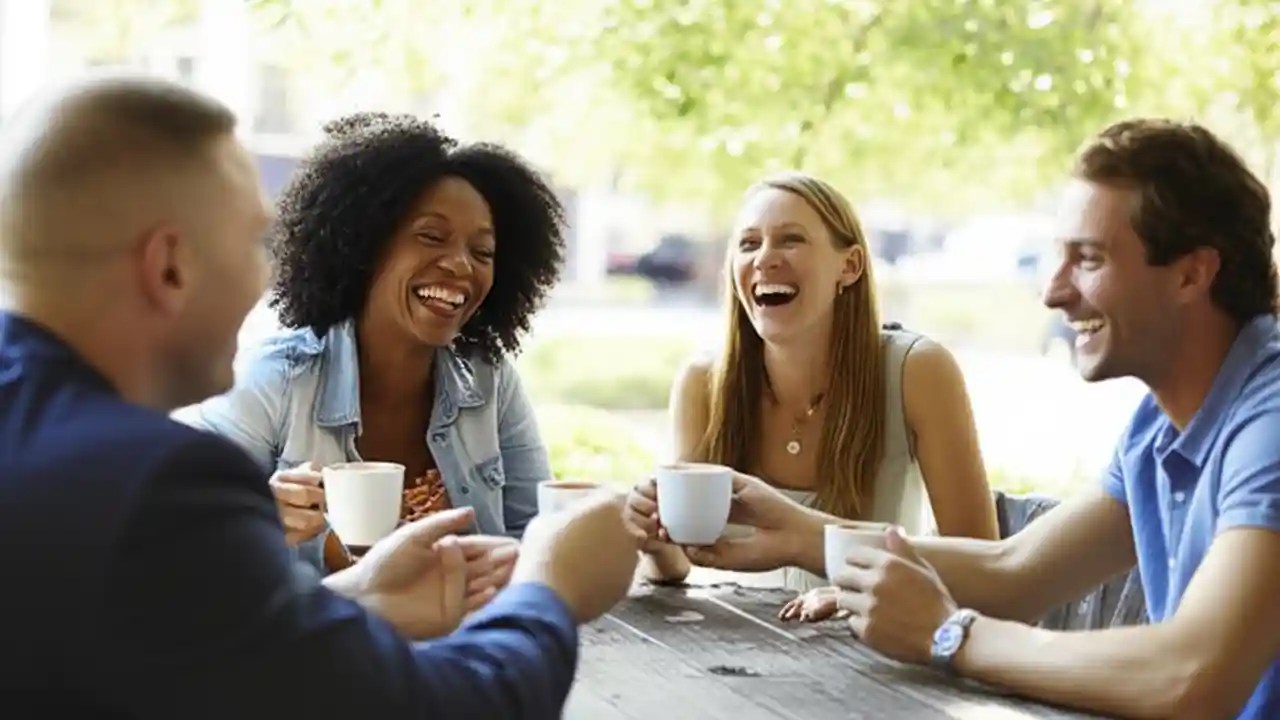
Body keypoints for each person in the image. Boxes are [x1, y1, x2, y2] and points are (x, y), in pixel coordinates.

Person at [0, 75, 638, 718]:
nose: (265, 277)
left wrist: (360, 596)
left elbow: (187, 659)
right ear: (170, 265)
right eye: (254, 243)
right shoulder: (161, 488)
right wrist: (550, 587)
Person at [681, 120, 1280, 719]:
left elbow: (1191, 677)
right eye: (1058, 258)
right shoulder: (1161, 425)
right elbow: (1013, 572)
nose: (1052, 292)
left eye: (1089, 259)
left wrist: (952, 635)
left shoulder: (1269, 424)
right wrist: (803, 535)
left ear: (1191, 274)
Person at [181, 111, 564, 574]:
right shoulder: (276, 379)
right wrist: (257, 520)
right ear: (363, 243)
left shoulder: (490, 380)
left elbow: (539, 537)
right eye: (431, 236)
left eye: (482, 252)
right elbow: (180, 530)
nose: (462, 266)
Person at [626, 171, 997, 590]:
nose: (765, 259)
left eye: (791, 240)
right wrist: (654, 542)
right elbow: (676, 564)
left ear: (850, 266)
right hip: (727, 645)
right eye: (749, 244)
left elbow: (984, 567)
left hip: (871, 647)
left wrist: (815, 548)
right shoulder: (702, 382)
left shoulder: (919, 371)